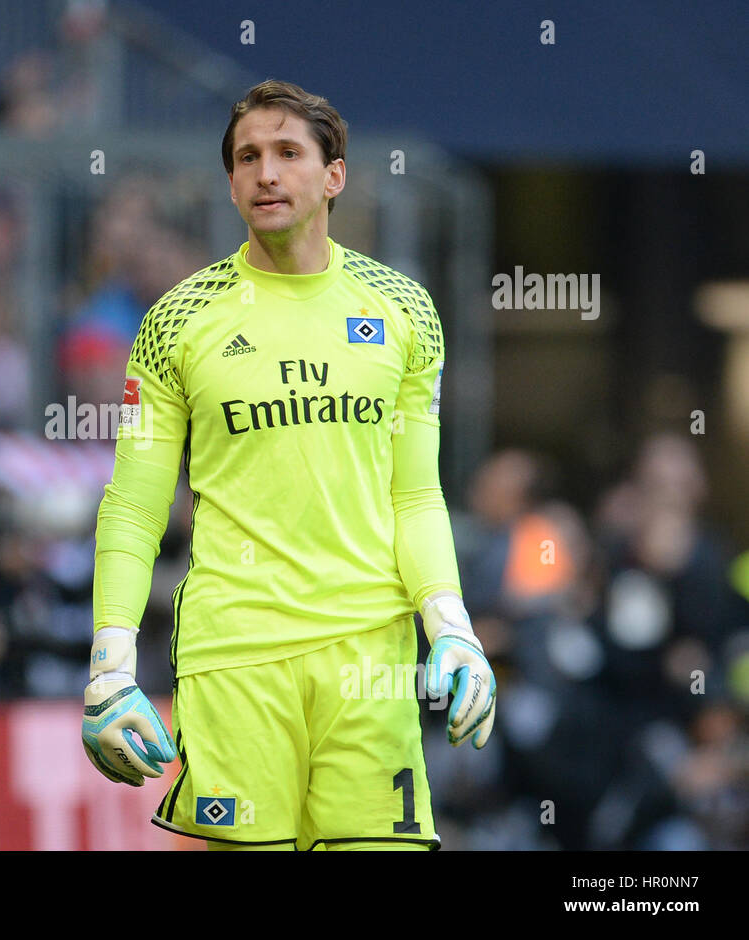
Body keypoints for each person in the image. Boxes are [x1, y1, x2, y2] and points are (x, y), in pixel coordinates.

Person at [81, 79, 495, 851]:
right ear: (231, 183)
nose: (265, 173)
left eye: (287, 154)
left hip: (371, 656)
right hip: (235, 655)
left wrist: (453, 628)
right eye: (247, 158)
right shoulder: (177, 321)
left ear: (333, 176)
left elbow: (416, 495)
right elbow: (133, 507)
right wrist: (110, 663)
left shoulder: (405, 311)